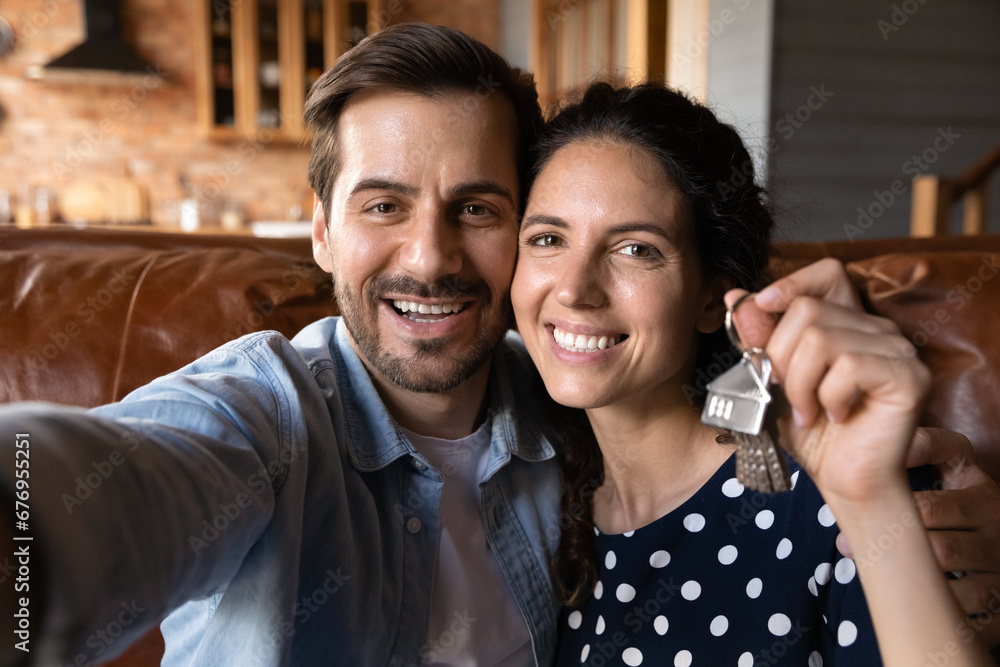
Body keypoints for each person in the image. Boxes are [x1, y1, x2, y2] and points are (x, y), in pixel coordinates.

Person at [0, 23, 998, 667]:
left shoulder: (561, 415)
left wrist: (890, 506)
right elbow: (112, 486)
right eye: (383, 204)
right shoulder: (265, 415)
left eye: (477, 208)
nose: (429, 257)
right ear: (320, 232)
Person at [510, 80, 993, 665]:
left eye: (636, 249)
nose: (574, 288)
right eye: (547, 239)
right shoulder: (525, 493)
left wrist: (872, 503)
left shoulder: (832, 490)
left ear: (713, 298)